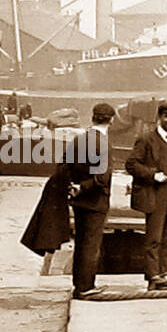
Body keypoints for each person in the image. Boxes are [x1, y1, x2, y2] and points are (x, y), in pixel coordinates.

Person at [125, 100, 167, 287]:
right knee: (154, 237)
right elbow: (131, 164)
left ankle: (165, 273)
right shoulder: (146, 139)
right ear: (159, 117)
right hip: (155, 194)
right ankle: (153, 276)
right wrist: (154, 175)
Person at [66, 103, 115, 298]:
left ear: (93, 118)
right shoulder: (103, 143)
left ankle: (79, 285)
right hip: (96, 202)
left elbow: (66, 165)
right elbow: (101, 178)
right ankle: (87, 287)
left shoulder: (79, 139)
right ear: (111, 120)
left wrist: (74, 187)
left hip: (78, 201)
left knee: (80, 243)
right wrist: (84, 187)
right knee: (92, 245)